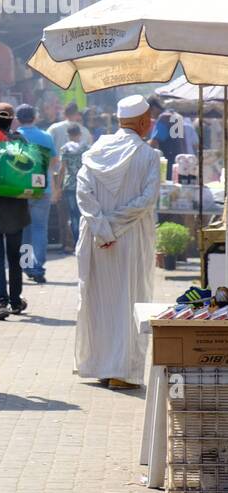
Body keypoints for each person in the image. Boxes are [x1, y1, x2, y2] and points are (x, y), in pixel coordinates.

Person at [75, 94, 161, 390]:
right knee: (130, 301)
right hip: (130, 239)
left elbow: (83, 194)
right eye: (149, 118)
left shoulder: (96, 149)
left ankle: (100, 365)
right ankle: (121, 372)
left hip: (97, 240)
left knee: (98, 301)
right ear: (141, 122)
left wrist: (102, 228)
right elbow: (146, 201)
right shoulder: (149, 156)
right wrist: (113, 227)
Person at [0, 103, 32, 321]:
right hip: (17, 210)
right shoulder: (20, 141)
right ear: (12, 120)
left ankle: (1, 304)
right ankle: (16, 301)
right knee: (14, 257)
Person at [15, 103, 57, 284]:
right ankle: (39, 267)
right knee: (40, 228)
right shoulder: (46, 137)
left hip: (18, 189)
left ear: (17, 119)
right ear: (35, 117)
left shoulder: (14, 137)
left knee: (23, 229)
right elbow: (54, 162)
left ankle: (27, 266)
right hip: (42, 187)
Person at [59, 124, 87, 246]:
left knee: (73, 215)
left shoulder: (65, 149)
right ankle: (85, 241)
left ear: (68, 135)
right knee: (84, 214)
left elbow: (62, 169)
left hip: (70, 184)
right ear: (79, 134)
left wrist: (58, 187)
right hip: (84, 184)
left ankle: (77, 243)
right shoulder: (86, 148)